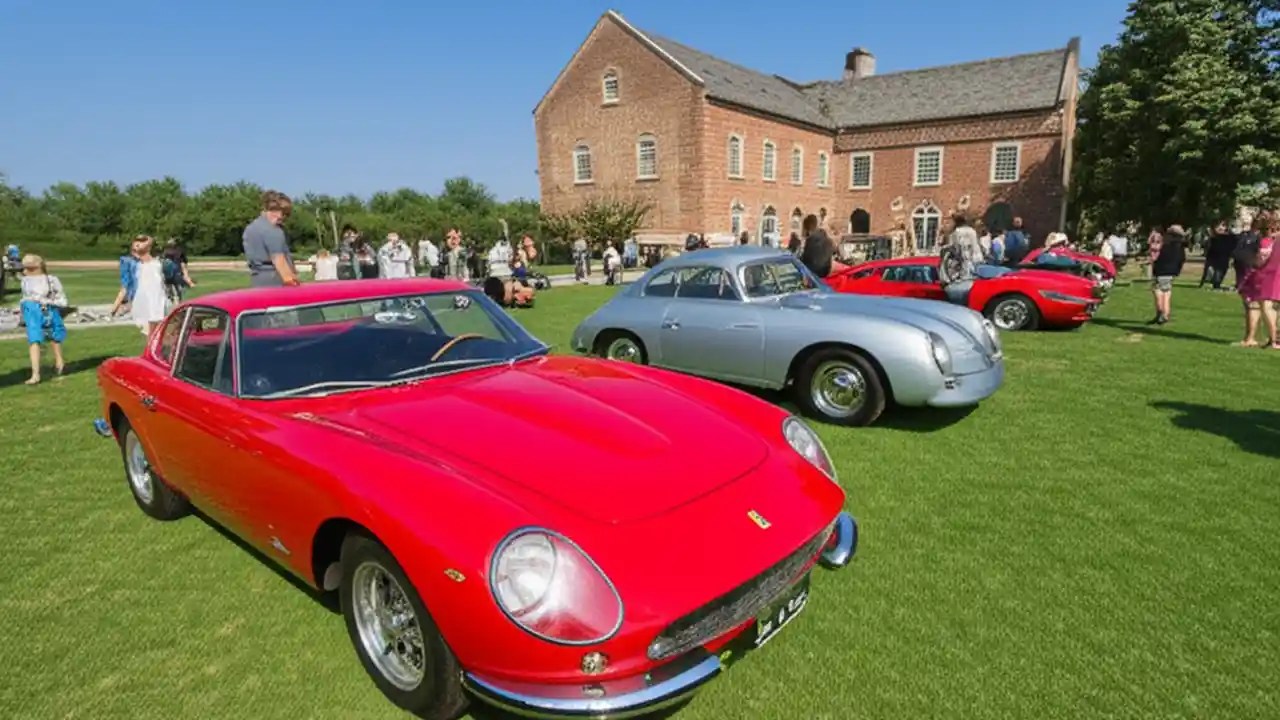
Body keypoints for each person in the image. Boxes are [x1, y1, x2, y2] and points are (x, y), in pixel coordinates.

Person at [19, 254, 67, 385]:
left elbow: (62, 299)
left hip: (48, 309)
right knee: (34, 339)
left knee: (54, 336)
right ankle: (36, 374)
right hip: (31, 311)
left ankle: (59, 362)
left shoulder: (51, 280)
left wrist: (45, 301)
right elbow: (25, 295)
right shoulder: (25, 280)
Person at [1237, 212, 1277, 348]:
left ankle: (1273, 340)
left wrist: (1254, 263)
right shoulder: (1263, 238)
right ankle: (1252, 338)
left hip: (1265, 275)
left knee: (1265, 306)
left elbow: (1261, 259)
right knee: (1255, 305)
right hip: (1261, 275)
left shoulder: (1269, 240)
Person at [243, 190, 299, 287]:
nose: (281, 216)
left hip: (257, 280)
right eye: (277, 211)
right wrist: (293, 283)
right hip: (275, 281)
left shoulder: (250, 228)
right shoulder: (274, 231)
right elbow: (279, 260)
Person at [1148, 224, 1187, 325]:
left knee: (1157, 289)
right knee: (1167, 291)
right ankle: (1165, 313)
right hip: (1172, 271)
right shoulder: (1180, 245)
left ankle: (1161, 311)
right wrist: (1177, 270)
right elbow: (1182, 259)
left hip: (1161, 269)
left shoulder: (1164, 242)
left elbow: (1155, 253)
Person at [131, 236, 168, 337]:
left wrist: (147, 241)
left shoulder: (154, 265)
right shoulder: (140, 265)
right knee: (152, 333)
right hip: (147, 303)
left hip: (155, 303)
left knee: (156, 332)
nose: (137, 246)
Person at [108, 238, 142, 317]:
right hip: (129, 267)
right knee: (125, 290)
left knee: (131, 290)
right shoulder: (129, 259)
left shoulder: (132, 258)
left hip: (130, 266)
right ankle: (114, 311)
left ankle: (120, 309)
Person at [1202, 221, 1238, 291]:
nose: (1221, 228)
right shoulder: (1215, 237)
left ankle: (1216, 283)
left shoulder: (1230, 237)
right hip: (1217, 255)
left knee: (1221, 269)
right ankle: (1216, 283)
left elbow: (1233, 245)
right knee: (1218, 269)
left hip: (1224, 255)